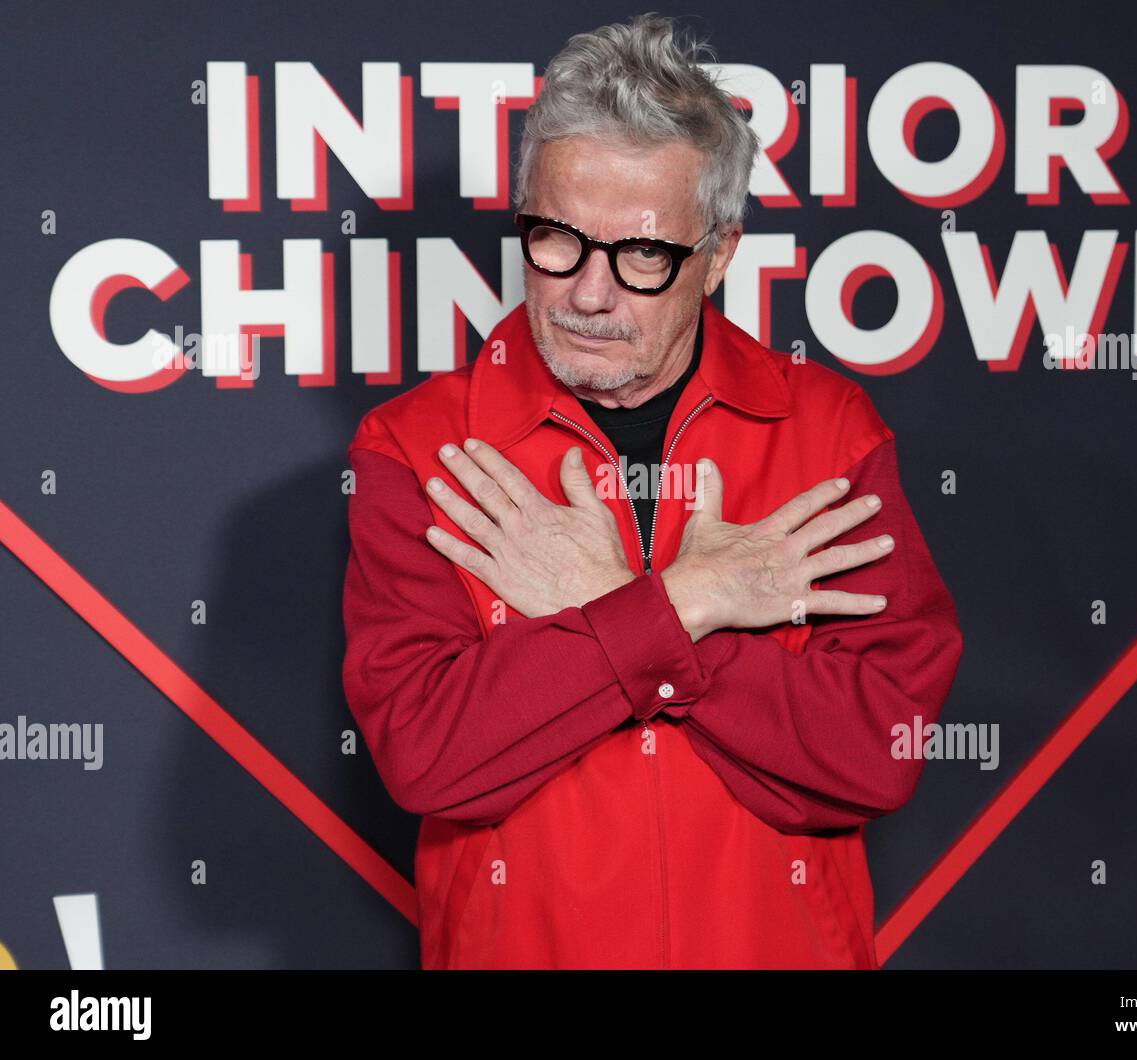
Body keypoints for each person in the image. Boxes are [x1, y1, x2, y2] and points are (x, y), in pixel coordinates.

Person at [342, 12, 963, 969]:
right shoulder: (419, 448)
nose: (587, 295)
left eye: (641, 255)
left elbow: (876, 750)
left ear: (719, 254)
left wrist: (612, 616)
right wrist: (691, 602)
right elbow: (429, 756)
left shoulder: (830, 433)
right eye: (555, 239)